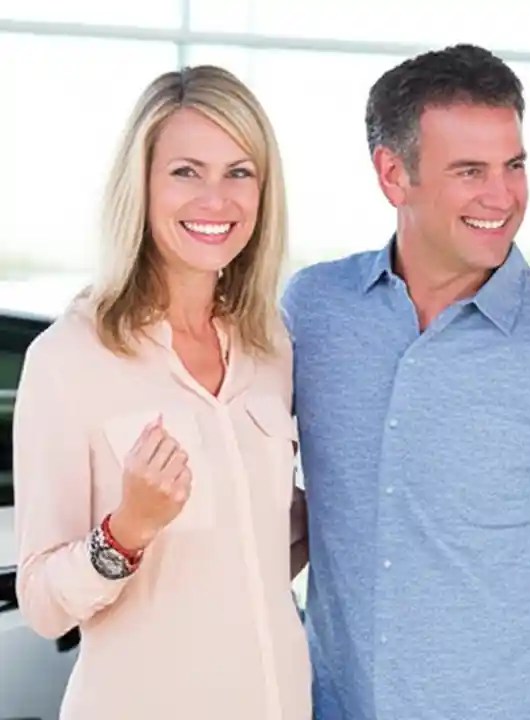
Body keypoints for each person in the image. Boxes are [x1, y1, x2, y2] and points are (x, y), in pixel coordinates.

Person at [281, 43, 530, 720]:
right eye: (470, 171)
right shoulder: (315, 311)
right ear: (392, 174)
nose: (502, 197)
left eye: (514, 166)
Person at [12, 65, 311, 719]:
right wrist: (128, 530)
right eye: (186, 171)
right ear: (141, 186)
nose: (217, 199)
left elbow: (255, 553)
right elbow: (39, 600)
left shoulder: (272, 349)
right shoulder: (70, 359)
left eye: (240, 172)